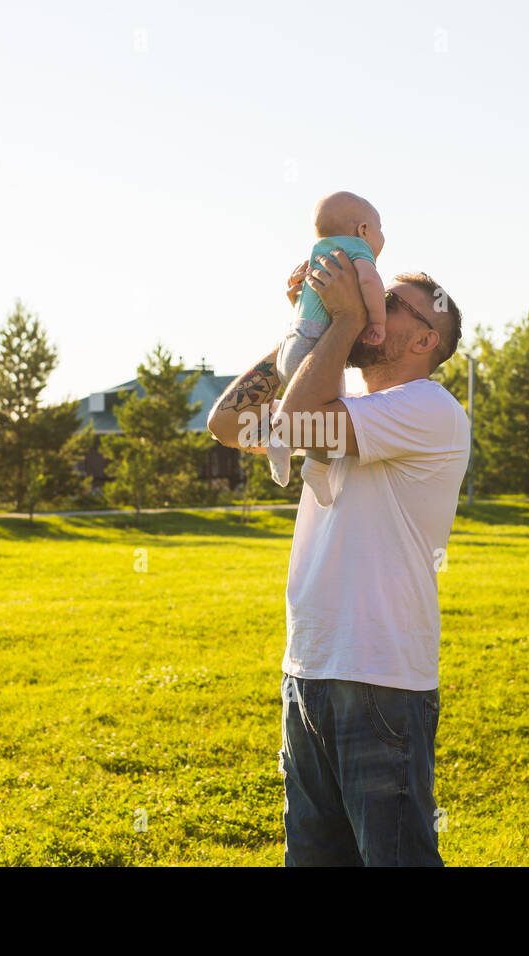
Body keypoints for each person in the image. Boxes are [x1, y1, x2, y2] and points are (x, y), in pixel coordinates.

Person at [207, 249, 470, 866]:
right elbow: (227, 423)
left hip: (380, 676)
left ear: (426, 338)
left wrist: (346, 323)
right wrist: (309, 323)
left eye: (390, 303)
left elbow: (296, 423)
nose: (373, 302)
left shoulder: (430, 409)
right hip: (309, 670)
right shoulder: (339, 398)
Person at [269, 191, 388, 507]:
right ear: (363, 230)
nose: (382, 236)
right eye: (380, 228)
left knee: (323, 410)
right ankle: (304, 458)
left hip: (293, 343)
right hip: (315, 347)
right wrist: (377, 319)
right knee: (330, 410)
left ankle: (303, 459)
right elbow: (371, 284)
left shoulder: (318, 253)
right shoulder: (358, 251)